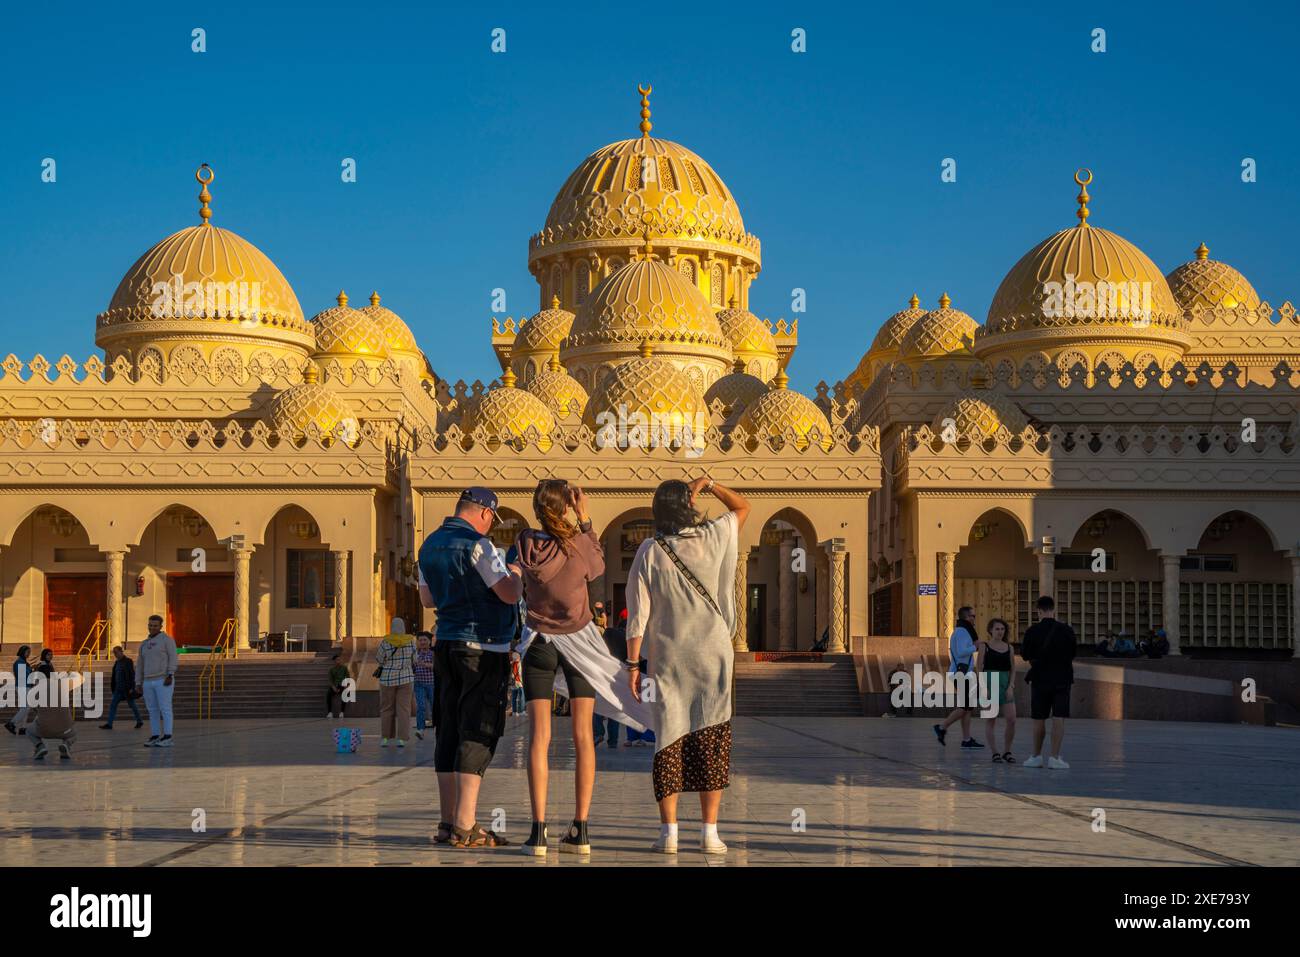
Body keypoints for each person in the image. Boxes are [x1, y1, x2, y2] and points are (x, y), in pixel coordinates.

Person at [626, 476, 749, 854]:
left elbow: (638, 616)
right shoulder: (714, 537)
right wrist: (709, 484)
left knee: (669, 739)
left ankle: (669, 833)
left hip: (669, 659)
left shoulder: (650, 550)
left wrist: (633, 664)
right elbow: (742, 507)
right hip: (713, 654)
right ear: (690, 504)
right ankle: (710, 832)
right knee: (711, 736)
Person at [418, 486, 523, 849]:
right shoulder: (480, 547)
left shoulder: (428, 545)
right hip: (483, 648)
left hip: (445, 644)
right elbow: (508, 593)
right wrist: (516, 573)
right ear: (484, 513)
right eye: (491, 519)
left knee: (447, 729)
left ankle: (447, 821)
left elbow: (427, 598)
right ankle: (466, 824)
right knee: (477, 730)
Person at [517, 479, 607, 855]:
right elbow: (599, 568)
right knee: (583, 737)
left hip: (539, 643)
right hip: (580, 644)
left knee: (540, 738)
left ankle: (539, 833)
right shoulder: (578, 546)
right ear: (568, 506)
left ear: (537, 509)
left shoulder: (524, 542)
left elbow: (513, 576)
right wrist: (585, 520)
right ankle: (580, 830)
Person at [1021, 595, 1077, 769]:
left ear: (1038, 611)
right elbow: (1073, 653)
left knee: (1039, 718)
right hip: (1062, 679)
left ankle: (1036, 756)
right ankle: (1054, 757)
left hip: (1040, 679)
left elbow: (1024, 654)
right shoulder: (1066, 630)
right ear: (1054, 610)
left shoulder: (1032, 631)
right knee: (1058, 717)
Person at [933, 606, 984, 749]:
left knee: (967, 708)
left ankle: (966, 739)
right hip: (960, 674)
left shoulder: (961, 631)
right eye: (972, 616)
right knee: (966, 706)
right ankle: (942, 727)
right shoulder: (962, 632)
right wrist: (976, 646)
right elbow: (962, 652)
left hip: (962, 673)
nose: (974, 619)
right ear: (966, 618)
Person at [975, 618, 1016, 763]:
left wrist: (1011, 686)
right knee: (991, 719)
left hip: (1005, 683)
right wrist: (983, 687)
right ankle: (995, 752)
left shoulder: (1009, 648)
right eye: (997, 629)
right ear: (990, 630)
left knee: (1011, 719)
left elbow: (1013, 669)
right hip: (989, 682)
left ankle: (1007, 751)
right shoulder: (984, 646)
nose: (1000, 632)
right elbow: (979, 667)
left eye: (1002, 629)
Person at [136, 615, 178, 748]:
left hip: (163, 679)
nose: (152, 628)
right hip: (148, 681)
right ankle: (155, 735)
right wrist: (138, 682)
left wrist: (170, 674)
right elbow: (140, 664)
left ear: (161, 626)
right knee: (152, 709)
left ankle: (168, 736)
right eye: (150, 625)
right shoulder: (144, 644)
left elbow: (173, 658)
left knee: (165, 708)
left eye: (155, 625)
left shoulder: (167, 640)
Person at [376, 617, 416, 747]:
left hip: (387, 679)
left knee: (387, 708)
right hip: (406, 678)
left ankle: (385, 738)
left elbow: (380, 659)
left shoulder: (386, 642)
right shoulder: (410, 641)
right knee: (404, 709)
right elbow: (415, 659)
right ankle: (402, 739)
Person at [594, 608, 629, 749]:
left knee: (597, 707)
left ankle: (598, 733)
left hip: (603, 673)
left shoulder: (608, 633)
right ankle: (613, 741)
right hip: (620, 676)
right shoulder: (629, 639)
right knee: (615, 709)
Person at [25, 672, 80, 761]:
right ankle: (66, 744)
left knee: (28, 731)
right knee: (74, 733)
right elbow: (79, 679)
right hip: (65, 728)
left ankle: (40, 746)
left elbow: (35, 709)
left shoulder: (34, 691)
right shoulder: (62, 686)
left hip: (44, 729)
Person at [100, 645, 144, 730]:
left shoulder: (128, 661)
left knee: (132, 705)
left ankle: (139, 721)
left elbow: (132, 675)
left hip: (126, 689)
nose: (115, 654)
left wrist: (132, 687)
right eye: (114, 653)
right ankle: (109, 724)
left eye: (116, 652)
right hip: (118, 689)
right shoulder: (117, 663)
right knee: (113, 705)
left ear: (121, 652)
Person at [5, 645, 33, 735]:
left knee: (25, 708)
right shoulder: (20, 662)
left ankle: (22, 728)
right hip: (23, 686)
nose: (29, 654)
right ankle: (11, 723)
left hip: (26, 685)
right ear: (22, 652)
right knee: (26, 708)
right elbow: (23, 675)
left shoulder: (24, 662)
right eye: (27, 652)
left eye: (29, 652)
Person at [412, 631, 436, 739]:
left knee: (434, 706)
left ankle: (437, 726)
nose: (422, 642)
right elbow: (413, 668)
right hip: (419, 684)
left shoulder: (433, 653)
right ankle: (420, 729)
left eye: (424, 640)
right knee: (420, 707)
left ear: (430, 641)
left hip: (432, 684)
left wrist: (424, 664)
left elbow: (437, 667)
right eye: (420, 640)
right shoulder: (415, 654)